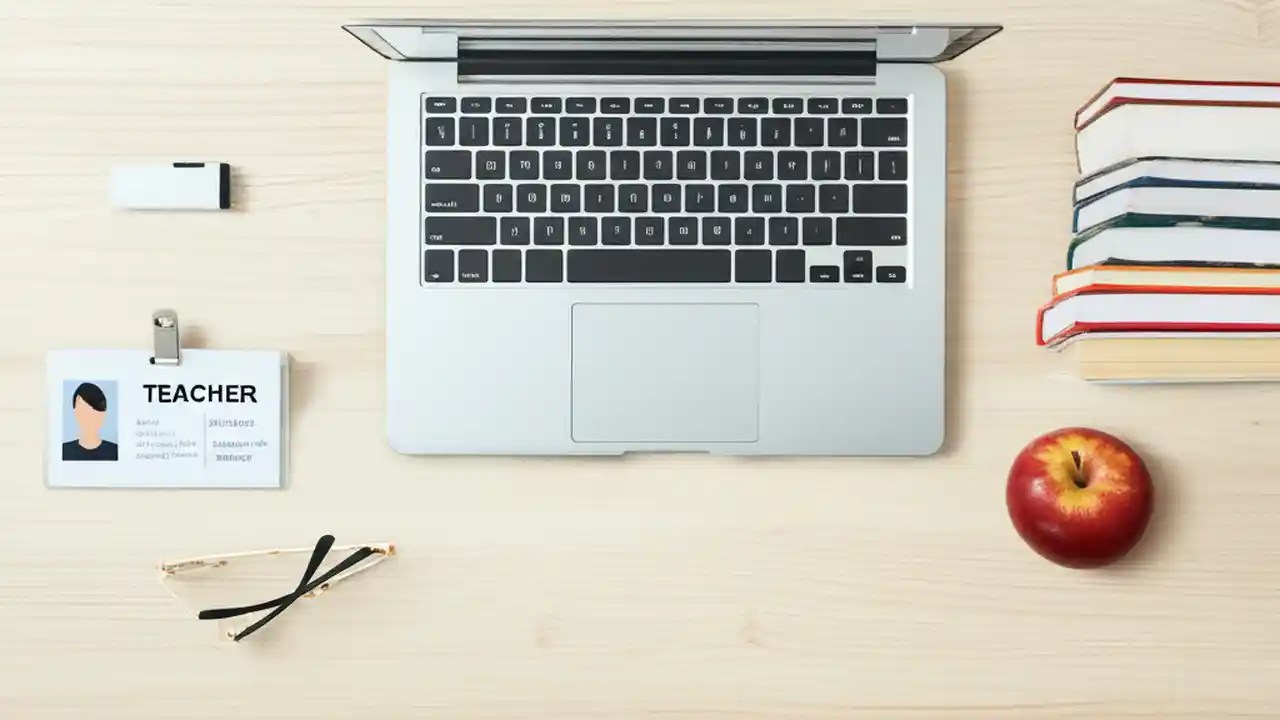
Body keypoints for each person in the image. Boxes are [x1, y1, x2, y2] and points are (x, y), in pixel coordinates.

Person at [63, 382, 118, 461]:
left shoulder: (115, 451)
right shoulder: (64, 451)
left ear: (103, 414)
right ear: (74, 411)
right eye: (82, 409)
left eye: (93, 409)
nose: (88, 415)